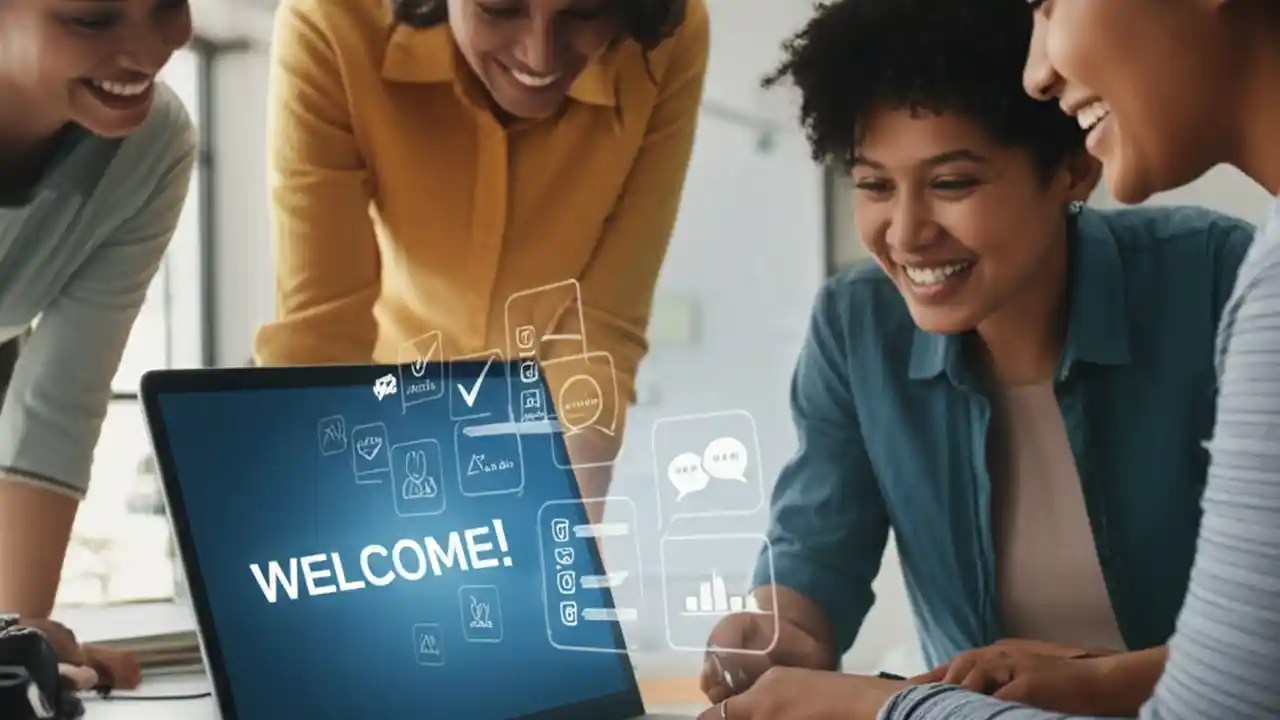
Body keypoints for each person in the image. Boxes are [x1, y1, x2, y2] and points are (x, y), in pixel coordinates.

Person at [695, 0, 1260, 717]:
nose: (906, 233)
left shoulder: (1217, 278)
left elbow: (1256, 653)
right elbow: (816, 541)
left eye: (952, 183)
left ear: (1072, 170)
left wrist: (1099, 680)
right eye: (873, 185)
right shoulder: (856, 324)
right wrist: (784, 629)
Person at [857, 0, 1280, 717]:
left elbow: (1219, 707)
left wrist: (872, 709)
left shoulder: (1236, 272)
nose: (1037, 71)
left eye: (1051, 1)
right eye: (872, 183)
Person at [252, 0, 710, 489]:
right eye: (498, 8)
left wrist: (569, 531)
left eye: (584, 13)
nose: (539, 57)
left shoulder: (669, 39)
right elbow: (320, 342)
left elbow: (600, 331)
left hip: (539, 425)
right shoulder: (329, 21)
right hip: (386, 410)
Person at [0, 0, 197, 689]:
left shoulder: (153, 144)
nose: (146, 50)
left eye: (169, 7)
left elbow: (59, 399)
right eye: (90, 20)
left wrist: (17, 649)